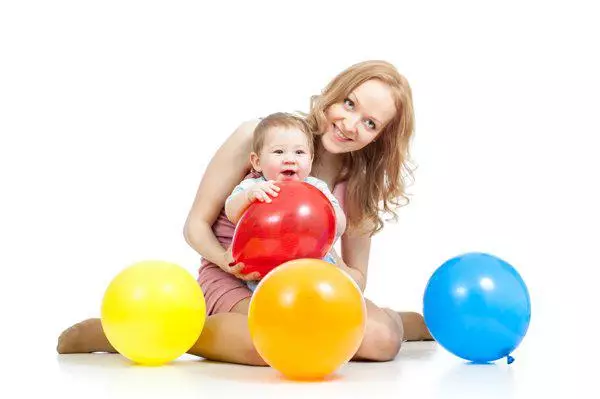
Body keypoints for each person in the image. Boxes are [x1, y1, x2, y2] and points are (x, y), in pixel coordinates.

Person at [56, 60, 432, 364]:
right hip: (234, 276)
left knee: (383, 341)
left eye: (370, 123)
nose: (350, 124)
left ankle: (399, 320)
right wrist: (227, 260)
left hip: (303, 287)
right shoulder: (261, 136)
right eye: (349, 104)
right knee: (272, 342)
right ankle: (155, 328)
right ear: (332, 94)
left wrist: (325, 261)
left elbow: (357, 276)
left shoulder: (358, 184)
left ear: (380, 136)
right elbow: (195, 226)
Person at [223, 112, 346, 291]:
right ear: (257, 162)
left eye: (299, 152)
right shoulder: (256, 186)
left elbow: (340, 226)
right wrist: (248, 196)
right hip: (267, 273)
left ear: (310, 161)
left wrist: (326, 208)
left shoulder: (317, 188)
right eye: (279, 152)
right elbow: (231, 213)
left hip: (314, 271)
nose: (290, 159)